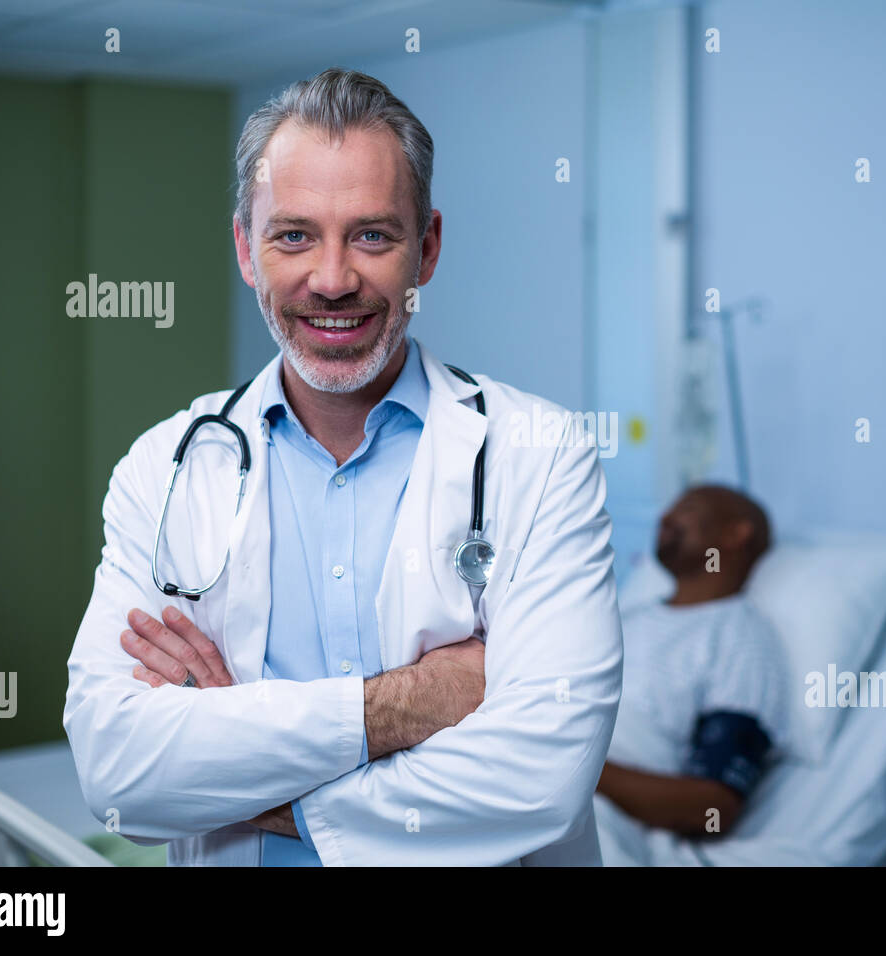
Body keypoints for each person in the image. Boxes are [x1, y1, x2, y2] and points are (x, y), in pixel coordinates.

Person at [63, 68, 623, 866]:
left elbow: (541, 780)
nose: (332, 279)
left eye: (372, 235)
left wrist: (248, 774)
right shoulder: (166, 468)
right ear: (245, 250)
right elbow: (119, 771)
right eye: (293, 235)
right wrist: (402, 708)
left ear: (425, 249)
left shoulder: (541, 454)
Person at [595, 485, 786, 844]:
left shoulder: (740, 638)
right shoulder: (626, 617)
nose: (665, 517)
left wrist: (577, 766)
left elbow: (714, 807)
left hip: (598, 812)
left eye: (689, 508)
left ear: (735, 533)